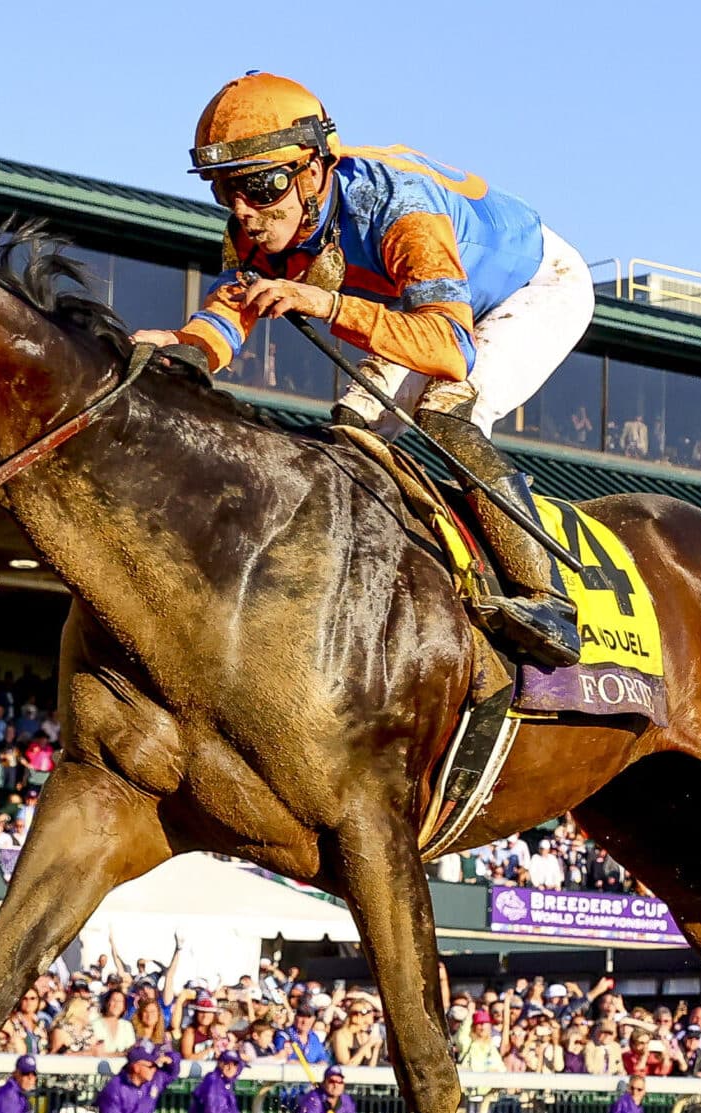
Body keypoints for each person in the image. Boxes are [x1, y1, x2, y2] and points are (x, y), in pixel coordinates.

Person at [131, 73, 595, 667]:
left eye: (259, 187)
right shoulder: (266, 221)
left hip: (534, 287)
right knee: (351, 431)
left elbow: (449, 349)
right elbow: (230, 308)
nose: (243, 213)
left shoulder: (399, 208)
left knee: (446, 416)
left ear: (315, 169)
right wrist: (182, 348)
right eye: (225, 192)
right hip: (432, 303)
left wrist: (323, 303)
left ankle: (546, 598)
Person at [96, 1042, 180, 1113]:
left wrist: (171, 1059)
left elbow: (172, 1072)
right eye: (151, 1066)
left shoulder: (155, 1079)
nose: (154, 1070)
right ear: (136, 1067)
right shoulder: (115, 1088)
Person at [183, 1048, 248, 1113]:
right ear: (219, 1064)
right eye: (226, 1063)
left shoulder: (225, 1082)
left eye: (234, 1064)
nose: (230, 1067)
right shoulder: (213, 1083)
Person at [293, 1066, 363, 1113]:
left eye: (339, 1082)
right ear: (324, 1083)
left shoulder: (346, 1100)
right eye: (332, 1081)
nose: (336, 1085)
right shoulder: (313, 1100)